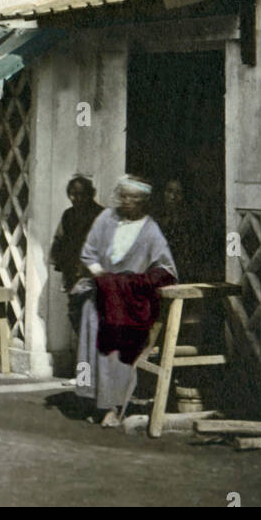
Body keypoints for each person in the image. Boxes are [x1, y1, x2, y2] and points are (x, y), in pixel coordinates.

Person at [71, 175, 177, 427]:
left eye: (135, 198)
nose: (128, 202)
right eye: (125, 197)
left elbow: (166, 268)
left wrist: (131, 284)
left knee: (117, 352)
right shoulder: (106, 219)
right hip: (100, 294)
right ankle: (90, 400)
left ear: (144, 202)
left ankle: (113, 407)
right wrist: (103, 278)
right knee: (88, 345)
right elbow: (88, 253)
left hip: (129, 304)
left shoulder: (150, 230)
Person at [50, 175, 104, 332]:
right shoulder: (68, 215)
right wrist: (64, 268)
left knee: (93, 315)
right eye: (73, 194)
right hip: (73, 273)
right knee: (75, 313)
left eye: (82, 194)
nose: (77, 198)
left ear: (91, 194)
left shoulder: (102, 215)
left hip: (94, 275)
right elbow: (59, 241)